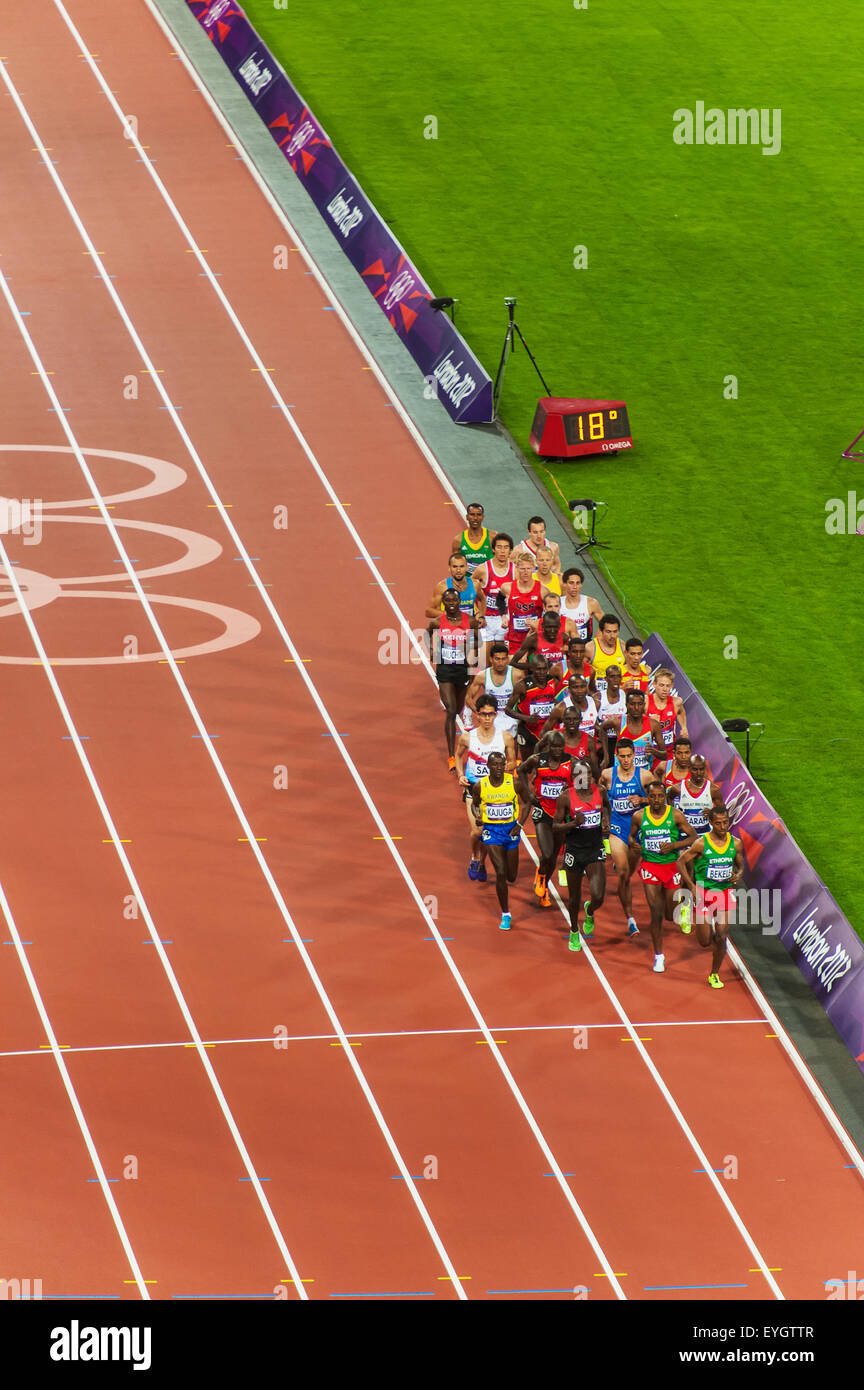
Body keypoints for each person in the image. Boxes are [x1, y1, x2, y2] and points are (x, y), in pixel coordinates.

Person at [628, 781, 697, 973]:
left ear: (665, 798)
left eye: (660, 796)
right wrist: (634, 845)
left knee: (669, 914)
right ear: (647, 798)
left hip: (671, 868)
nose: (657, 800)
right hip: (650, 866)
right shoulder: (639, 816)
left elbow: (693, 837)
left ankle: (684, 905)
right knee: (656, 913)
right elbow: (631, 837)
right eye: (653, 796)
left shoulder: (675, 815)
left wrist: (674, 846)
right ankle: (659, 956)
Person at [678, 804, 744, 988]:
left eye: (725, 823)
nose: (723, 827)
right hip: (703, 894)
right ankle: (706, 927)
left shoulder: (736, 843)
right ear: (711, 823)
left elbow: (740, 866)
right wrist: (690, 886)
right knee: (705, 941)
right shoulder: (701, 843)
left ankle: (714, 974)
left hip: (724, 893)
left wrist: (736, 876)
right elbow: (680, 862)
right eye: (718, 823)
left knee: (722, 936)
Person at [598, 737, 656, 936]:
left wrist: (643, 799)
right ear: (616, 756)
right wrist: (603, 819)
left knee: (629, 872)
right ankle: (630, 918)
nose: (625, 760)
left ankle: (623, 877)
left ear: (634, 755)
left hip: (638, 832)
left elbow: (661, 797)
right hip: (617, 829)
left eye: (629, 756)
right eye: (622, 756)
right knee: (623, 873)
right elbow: (598, 795)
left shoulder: (645, 776)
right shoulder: (607, 775)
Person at [456, 695, 516, 880]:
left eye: (490, 714)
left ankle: (482, 863)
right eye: (484, 714)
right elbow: (458, 756)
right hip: (474, 789)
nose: (487, 718)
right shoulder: (467, 738)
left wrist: (504, 768)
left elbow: (513, 761)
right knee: (477, 831)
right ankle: (475, 856)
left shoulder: (505, 737)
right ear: (477, 715)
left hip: (495, 791)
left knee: (488, 833)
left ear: (495, 715)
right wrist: (460, 775)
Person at [554, 760, 610, 952]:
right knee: (574, 897)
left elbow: (607, 807)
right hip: (574, 851)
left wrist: (606, 822)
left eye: (587, 774)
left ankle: (590, 910)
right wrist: (572, 824)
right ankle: (574, 930)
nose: (584, 778)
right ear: (574, 778)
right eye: (579, 775)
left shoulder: (600, 791)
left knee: (598, 896)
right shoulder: (565, 797)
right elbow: (555, 826)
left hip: (594, 849)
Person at [516, 731, 575, 909]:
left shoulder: (570, 762)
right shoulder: (537, 760)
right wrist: (529, 792)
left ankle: (545, 885)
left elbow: (581, 782)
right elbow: (520, 770)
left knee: (553, 857)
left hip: (561, 814)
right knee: (547, 854)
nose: (557, 750)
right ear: (548, 747)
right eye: (554, 747)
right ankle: (541, 877)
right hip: (542, 811)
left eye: (560, 747)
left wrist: (570, 789)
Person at [472, 751, 529, 931]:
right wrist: (478, 815)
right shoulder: (481, 786)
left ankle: (490, 866)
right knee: (501, 872)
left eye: (501, 764)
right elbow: (474, 804)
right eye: (494, 764)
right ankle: (506, 914)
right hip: (492, 831)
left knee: (512, 876)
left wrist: (519, 824)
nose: (498, 768)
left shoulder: (514, 782)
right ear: (488, 766)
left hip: (510, 830)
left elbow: (528, 802)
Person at [427, 587, 481, 769]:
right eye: (447, 601)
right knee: (450, 710)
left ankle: (455, 746)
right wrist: (432, 651)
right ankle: (452, 755)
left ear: (459, 602)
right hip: (445, 670)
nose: (451, 604)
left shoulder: (470, 622)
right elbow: (428, 635)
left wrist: (473, 668)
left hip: (462, 670)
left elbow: (477, 644)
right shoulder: (437, 622)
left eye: (454, 601)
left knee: (457, 708)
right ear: (444, 603)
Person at [504, 652, 562, 762]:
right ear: (532, 669)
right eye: (538, 669)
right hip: (528, 729)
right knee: (529, 763)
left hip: (548, 729)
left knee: (548, 761)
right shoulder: (522, 685)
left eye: (544, 669)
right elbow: (508, 709)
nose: (542, 672)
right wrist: (526, 718)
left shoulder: (553, 681)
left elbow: (559, 701)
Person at [500, 553, 550, 657]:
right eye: (522, 569)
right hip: (514, 640)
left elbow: (552, 615)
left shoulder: (543, 590)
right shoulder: (507, 587)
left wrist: (538, 623)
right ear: (517, 568)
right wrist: (503, 615)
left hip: (535, 640)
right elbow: (499, 599)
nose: (526, 572)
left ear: (533, 568)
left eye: (528, 568)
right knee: (515, 670)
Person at [472, 532, 514, 658]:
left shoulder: (515, 571)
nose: (502, 551)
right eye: (499, 547)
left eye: (506, 547)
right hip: (487, 620)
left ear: (510, 550)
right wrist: (479, 615)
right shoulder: (482, 569)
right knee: (484, 660)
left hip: (504, 619)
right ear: (493, 549)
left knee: (503, 659)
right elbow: (471, 592)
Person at [464, 641, 518, 734]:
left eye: (503, 659)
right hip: (492, 719)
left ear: (507, 659)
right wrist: (480, 713)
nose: (500, 663)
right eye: (497, 659)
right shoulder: (483, 676)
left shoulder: (516, 675)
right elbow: (468, 698)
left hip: (511, 718)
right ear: (491, 659)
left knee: (511, 747)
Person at [425, 551, 486, 623]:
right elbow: (428, 611)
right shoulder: (442, 587)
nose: (458, 570)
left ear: (467, 568)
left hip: (468, 628)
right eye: (455, 566)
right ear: (449, 568)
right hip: (449, 629)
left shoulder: (475, 584)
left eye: (462, 566)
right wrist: (450, 615)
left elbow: (482, 600)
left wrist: (481, 616)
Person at [614, 688, 667, 772]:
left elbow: (664, 755)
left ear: (644, 705)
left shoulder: (653, 725)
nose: (636, 707)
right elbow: (603, 728)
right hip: (621, 775)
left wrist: (653, 751)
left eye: (640, 704)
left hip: (644, 776)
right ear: (626, 705)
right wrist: (606, 756)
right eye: (632, 704)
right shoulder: (618, 722)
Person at [511, 608, 568, 680]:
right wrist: (533, 666)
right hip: (537, 680)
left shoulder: (564, 637)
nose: (552, 631)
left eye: (555, 627)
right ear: (543, 626)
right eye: (549, 627)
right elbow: (513, 662)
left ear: (559, 626)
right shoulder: (533, 639)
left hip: (557, 680)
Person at [646, 669, 688, 770]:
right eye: (661, 685)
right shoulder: (646, 702)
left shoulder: (676, 702)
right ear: (654, 684)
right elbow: (634, 722)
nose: (665, 689)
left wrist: (684, 727)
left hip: (668, 751)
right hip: (650, 751)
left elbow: (681, 712)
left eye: (668, 686)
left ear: (672, 686)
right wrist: (648, 721)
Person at [560, 567, 604, 645]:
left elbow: (605, 623)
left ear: (581, 585)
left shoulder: (591, 603)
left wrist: (595, 643)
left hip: (584, 647)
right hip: (563, 647)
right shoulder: (557, 603)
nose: (575, 587)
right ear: (564, 584)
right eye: (571, 583)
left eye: (578, 583)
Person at [451, 502, 497, 576]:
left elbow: (501, 562)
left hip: (489, 583)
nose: (475, 518)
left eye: (479, 515)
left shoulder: (493, 537)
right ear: (467, 517)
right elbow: (454, 566)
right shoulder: (458, 540)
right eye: (472, 515)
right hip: (468, 583)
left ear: (483, 517)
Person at [587, 615, 626, 698]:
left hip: (617, 695)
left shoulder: (623, 647)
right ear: (601, 631)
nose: (612, 636)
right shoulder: (590, 648)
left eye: (615, 632)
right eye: (608, 632)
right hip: (595, 695)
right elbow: (582, 672)